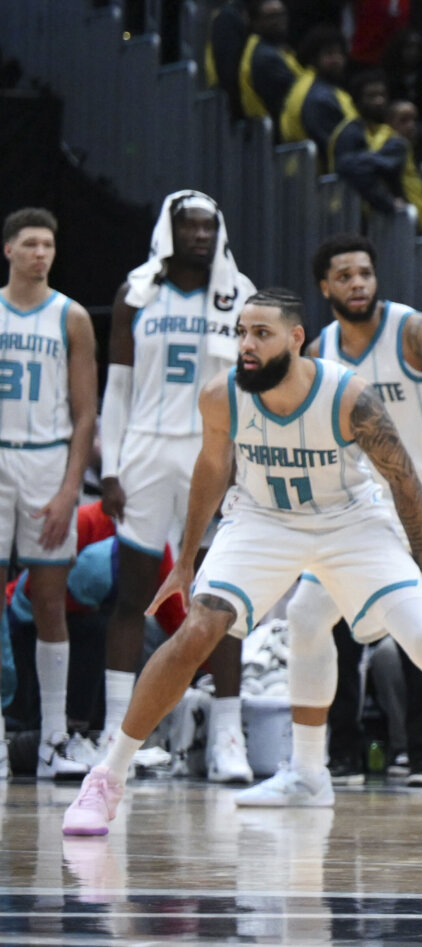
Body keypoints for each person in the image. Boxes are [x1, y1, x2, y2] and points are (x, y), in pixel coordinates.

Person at [62, 289, 422, 841]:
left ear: (296, 339)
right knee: (198, 627)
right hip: (262, 521)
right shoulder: (221, 396)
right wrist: (184, 562)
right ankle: (107, 777)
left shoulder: (350, 397)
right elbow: (210, 467)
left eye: (261, 333)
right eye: (241, 333)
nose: (247, 345)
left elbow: (404, 483)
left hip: (351, 523)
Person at [241, 235, 422, 803]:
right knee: (305, 615)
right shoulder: (321, 353)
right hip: (374, 508)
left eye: (366, 273)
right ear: (325, 287)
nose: (358, 284)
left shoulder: (417, 333)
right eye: (345, 276)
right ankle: (308, 773)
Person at [100, 193, 252, 782]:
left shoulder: (239, 294)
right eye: (187, 225)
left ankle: (227, 736)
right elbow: (117, 388)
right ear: (168, 229)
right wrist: (111, 467)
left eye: (208, 225)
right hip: (145, 446)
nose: (198, 235)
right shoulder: (136, 293)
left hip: (212, 449)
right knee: (134, 592)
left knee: (223, 598)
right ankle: (119, 731)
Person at [0, 209, 99, 780]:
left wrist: (69, 491)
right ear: (8, 249)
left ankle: (55, 736)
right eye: (31, 243)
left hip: (46, 460)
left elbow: (86, 414)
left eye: (49, 245)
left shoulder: (72, 317)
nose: (41, 253)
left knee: (48, 603)